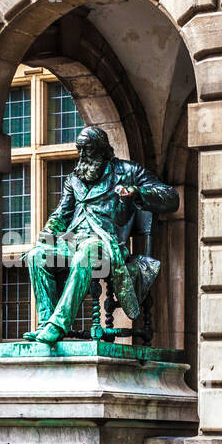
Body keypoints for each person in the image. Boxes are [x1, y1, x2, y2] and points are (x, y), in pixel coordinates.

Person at [23, 124, 179, 345]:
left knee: (87, 250)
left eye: (88, 149)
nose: (83, 155)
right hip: (74, 240)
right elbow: (61, 215)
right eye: (80, 149)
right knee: (37, 255)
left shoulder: (128, 172)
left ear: (103, 149)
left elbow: (171, 197)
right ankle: (45, 322)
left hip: (107, 242)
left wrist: (136, 193)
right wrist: (48, 232)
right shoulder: (74, 178)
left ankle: (58, 324)